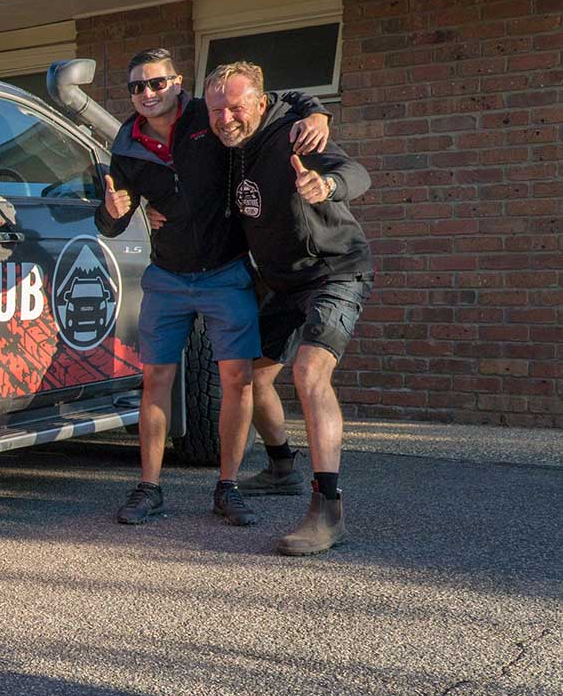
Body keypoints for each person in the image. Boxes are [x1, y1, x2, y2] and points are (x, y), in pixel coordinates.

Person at [96, 48, 330, 528]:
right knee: (156, 381)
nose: (147, 93)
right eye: (137, 86)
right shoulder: (126, 144)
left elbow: (277, 100)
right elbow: (112, 218)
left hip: (226, 271)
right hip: (167, 277)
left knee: (238, 380)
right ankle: (149, 487)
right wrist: (114, 214)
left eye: (157, 83)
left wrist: (318, 113)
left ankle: (228, 487)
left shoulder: (209, 114)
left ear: (178, 82)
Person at [204, 61, 373, 556]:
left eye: (237, 107)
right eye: (217, 110)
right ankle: (281, 468)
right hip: (282, 282)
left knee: (309, 373)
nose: (226, 118)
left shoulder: (294, 134)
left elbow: (356, 173)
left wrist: (327, 186)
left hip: (334, 270)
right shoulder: (229, 150)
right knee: (251, 376)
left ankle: (328, 510)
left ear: (260, 103)